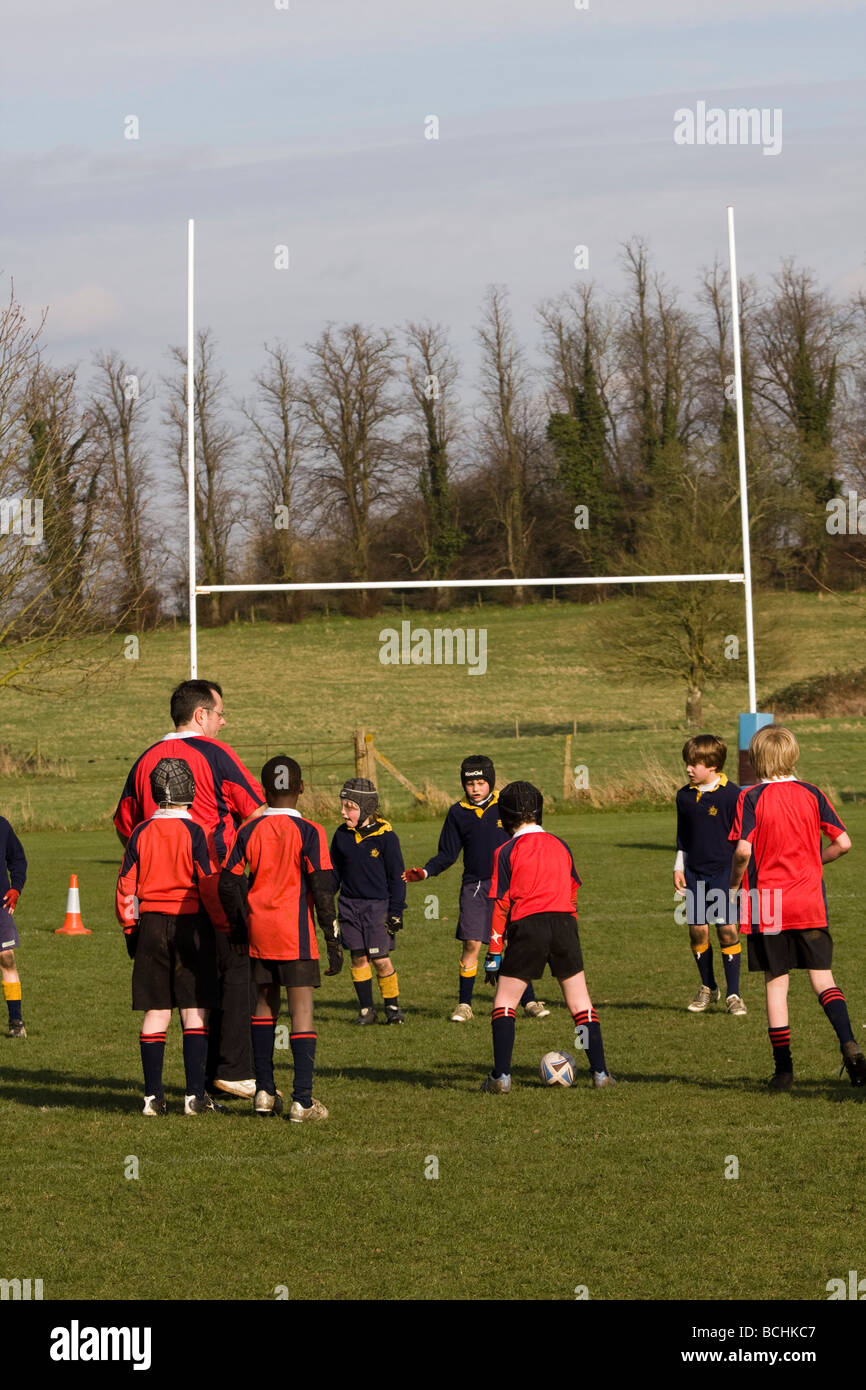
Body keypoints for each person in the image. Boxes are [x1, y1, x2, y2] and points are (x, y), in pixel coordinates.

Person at [114, 679, 265, 1099]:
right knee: (239, 966)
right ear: (200, 715)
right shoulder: (216, 753)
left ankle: (190, 1088)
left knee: (171, 998)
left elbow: (125, 823)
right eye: (219, 714)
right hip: (213, 886)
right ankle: (231, 1069)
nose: (222, 721)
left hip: (156, 904)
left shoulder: (145, 760)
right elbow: (256, 811)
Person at [729, 724, 866, 1091]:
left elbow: (743, 849)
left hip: (767, 903)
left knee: (777, 987)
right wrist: (814, 863)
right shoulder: (812, 793)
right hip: (808, 900)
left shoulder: (751, 797)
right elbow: (844, 843)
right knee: (823, 980)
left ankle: (784, 1072)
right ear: (793, 756)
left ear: (756, 759)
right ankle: (849, 1042)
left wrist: (732, 884)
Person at [219, 756, 342, 1121]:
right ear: (301, 787)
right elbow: (322, 888)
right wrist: (332, 939)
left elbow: (229, 883)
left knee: (263, 1007)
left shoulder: (248, 831)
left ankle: (263, 1091)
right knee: (301, 1011)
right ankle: (302, 1100)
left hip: (260, 932)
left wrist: (240, 930)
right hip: (296, 935)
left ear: (263, 790)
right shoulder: (312, 832)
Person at [480, 781, 614, 1093]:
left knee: (504, 1002)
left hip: (528, 926)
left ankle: (501, 1077)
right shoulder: (561, 844)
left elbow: (500, 904)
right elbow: (573, 891)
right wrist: (570, 927)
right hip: (565, 924)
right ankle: (601, 1073)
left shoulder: (505, 850)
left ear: (505, 816)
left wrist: (494, 954)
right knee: (580, 1002)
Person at [402, 755, 549, 1022]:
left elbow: (525, 840)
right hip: (475, 886)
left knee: (511, 943)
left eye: (481, 782)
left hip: (507, 885)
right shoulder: (457, 812)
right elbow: (447, 854)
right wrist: (425, 872)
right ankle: (464, 1005)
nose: (476, 788)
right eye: (470, 784)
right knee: (472, 943)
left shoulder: (505, 807)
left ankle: (529, 1001)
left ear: (490, 782)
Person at [116, 757, 224, 1115]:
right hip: (190, 924)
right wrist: (222, 925)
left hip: (150, 926)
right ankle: (194, 1097)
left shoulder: (141, 832)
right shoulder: (197, 832)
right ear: (189, 791)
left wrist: (131, 929)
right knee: (194, 1012)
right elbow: (209, 884)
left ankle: (151, 1098)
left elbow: (125, 888)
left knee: (156, 1011)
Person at [673, 735, 745, 1015]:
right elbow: (683, 836)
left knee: (727, 930)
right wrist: (678, 866)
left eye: (694, 764)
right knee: (697, 931)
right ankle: (709, 987)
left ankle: (734, 994)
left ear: (712, 765)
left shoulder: (733, 795)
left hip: (724, 874)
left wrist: (740, 875)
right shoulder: (684, 796)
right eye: (687, 764)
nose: (688, 769)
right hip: (694, 872)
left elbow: (742, 838)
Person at [331, 778, 407, 1025]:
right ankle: (367, 1010)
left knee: (380, 959)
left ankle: (393, 1008)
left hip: (377, 908)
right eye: (342, 805)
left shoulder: (386, 838)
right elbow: (334, 875)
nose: (343, 812)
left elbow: (398, 879)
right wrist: (322, 899)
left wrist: (396, 912)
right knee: (358, 957)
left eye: (349, 806)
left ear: (366, 808)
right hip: (349, 906)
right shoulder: (341, 836)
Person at [0, 814, 27, 1038]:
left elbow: (18, 859)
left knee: (7, 958)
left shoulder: (2, 825)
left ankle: (16, 1022)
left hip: (0, 905)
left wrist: (16, 888)